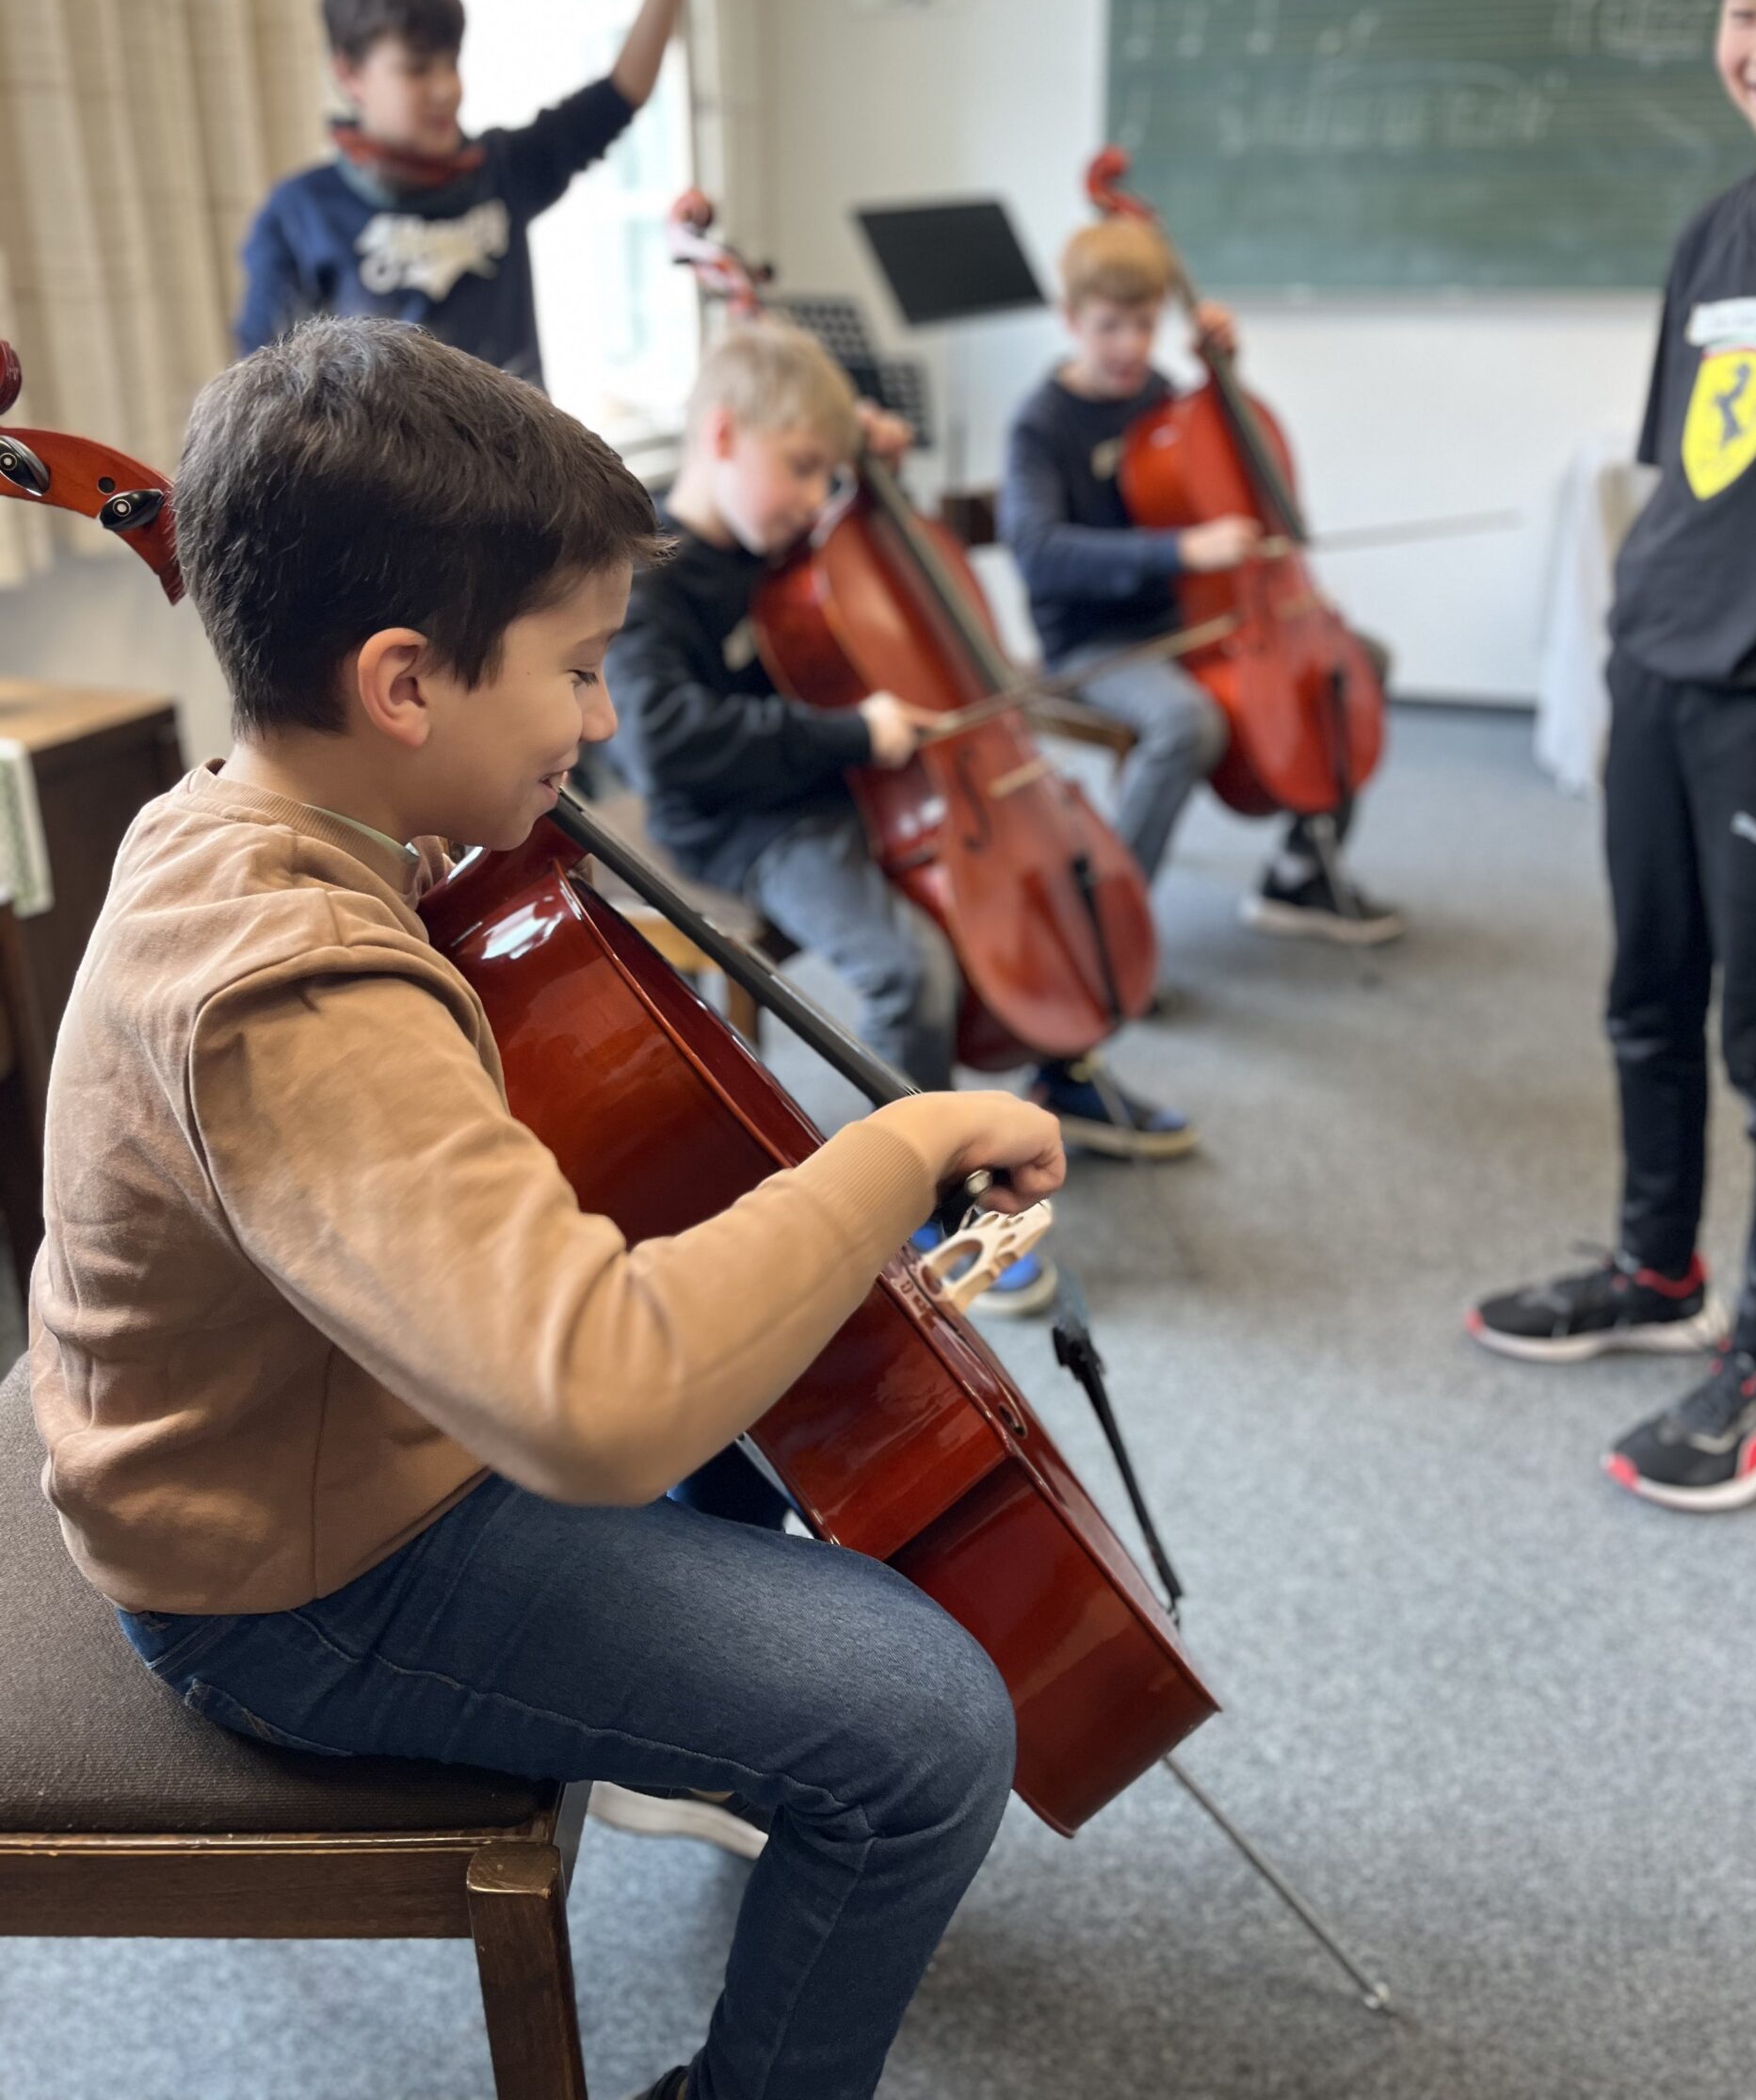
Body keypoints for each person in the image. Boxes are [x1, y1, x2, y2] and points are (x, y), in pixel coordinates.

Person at [28, 317, 1067, 2100]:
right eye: (579, 670)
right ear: (404, 687)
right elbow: (597, 1406)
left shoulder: (254, 819)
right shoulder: (291, 983)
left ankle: (695, 1707)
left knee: (761, 1391)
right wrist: (894, 1153)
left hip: (339, 1432)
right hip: (290, 1581)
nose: (603, 719)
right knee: (931, 1726)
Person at [1468, 0, 1756, 1512]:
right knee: (1646, 999)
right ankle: (1661, 1271)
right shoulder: (1717, 234)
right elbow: (1693, 470)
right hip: (1663, 666)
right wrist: (1631, 646)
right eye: (1747, 6)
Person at [605, 317, 1200, 1254]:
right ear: (721, 434)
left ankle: (1064, 1074)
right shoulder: (648, 573)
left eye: (826, 475)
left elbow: (866, 596)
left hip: (853, 782)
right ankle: (917, 1204)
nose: (817, 497)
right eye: (802, 467)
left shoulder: (782, 538)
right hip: (746, 823)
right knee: (909, 968)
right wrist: (853, 731)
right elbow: (664, 741)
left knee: (1025, 890)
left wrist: (872, 487)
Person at [999, 219, 1402, 945]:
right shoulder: (1042, 425)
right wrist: (1178, 550)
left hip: (1191, 622)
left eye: (1145, 325)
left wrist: (1224, 378)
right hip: (1093, 643)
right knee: (1186, 722)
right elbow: (1037, 552)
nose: (1130, 346)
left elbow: (1227, 481)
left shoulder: (1161, 397)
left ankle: (1300, 876)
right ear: (1070, 320)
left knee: (1356, 662)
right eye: (1109, 327)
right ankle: (1109, 932)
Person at [234, 0, 731, 383]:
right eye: (417, 69)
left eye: (452, 62)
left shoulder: (501, 170)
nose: (448, 88)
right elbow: (264, 395)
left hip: (519, 444)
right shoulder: (298, 215)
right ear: (349, 73)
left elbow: (624, 90)